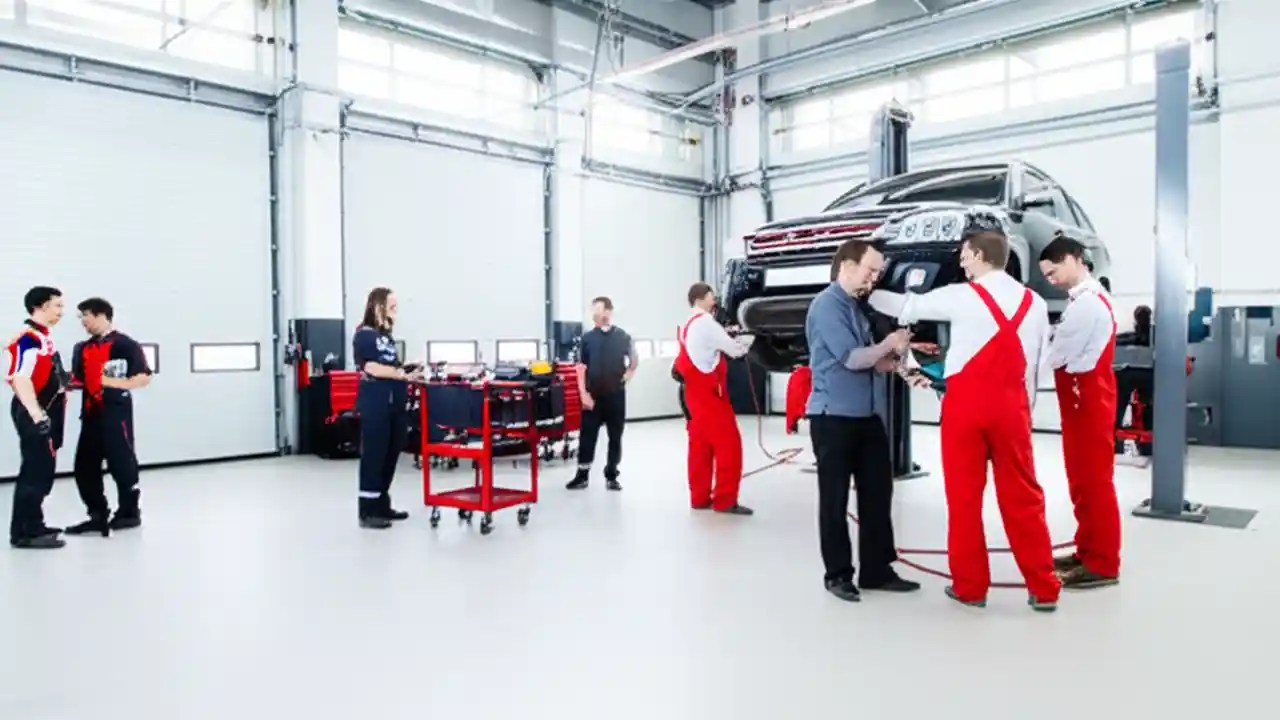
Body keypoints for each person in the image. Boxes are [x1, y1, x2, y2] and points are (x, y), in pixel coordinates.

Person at [868, 212, 1060, 611]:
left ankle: (971, 588)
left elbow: (906, 307)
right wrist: (1024, 410)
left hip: (965, 409)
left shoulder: (960, 295)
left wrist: (867, 290)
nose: (960, 262)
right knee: (1024, 498)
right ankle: (1043, 588)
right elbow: (1039, 363)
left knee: (964, 498)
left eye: (964, 256)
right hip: (1014, 408)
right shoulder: (1036, 303)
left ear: (977, 254)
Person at [807, 239, 920, 602]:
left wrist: (901, 362)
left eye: (877, 272)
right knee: (835, 499)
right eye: (869, 270)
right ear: (846, 266)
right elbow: (853, 359)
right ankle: (838, 574)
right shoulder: (827, 307)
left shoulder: (857, 309)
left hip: (868, 416)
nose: (874, 278)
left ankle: (876, 569)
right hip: (833, 418)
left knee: (877, 494)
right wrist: (890, 342)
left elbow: (872, 362)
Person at [1038, 235, 1122, 590]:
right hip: (1083, 401)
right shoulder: (1086, 300)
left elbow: (1057, 355)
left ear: (1073, 259)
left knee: (1093, 483)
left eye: (1053, 271)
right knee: (1083, 482)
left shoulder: (1087, 304)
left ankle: (1102, 562)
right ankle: (1088, 550)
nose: (1051, 280)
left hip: (1086, 402)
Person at [62, 298, 153, 536]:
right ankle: (97, 515)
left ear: (101, 315)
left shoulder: (126, 345)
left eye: (85, 316)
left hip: (117, 413)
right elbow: (78, 379)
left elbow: (143, 378)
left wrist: (108, 382)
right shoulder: (81, 348)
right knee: (84, 467)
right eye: (80, 317)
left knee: (122, 464)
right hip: (91, 415)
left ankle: (129, 512)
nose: (82, 321)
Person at [673, 282, 752, 515]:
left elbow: (708, 343)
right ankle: (725, 500)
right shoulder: (707, 322)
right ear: (700, 299)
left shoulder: (686, 324)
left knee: (699, 447)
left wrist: (724, 334)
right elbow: (735, 350)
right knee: (729, 445)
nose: (714, 300)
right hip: (710, 395)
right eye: (711, 296)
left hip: (691, 394)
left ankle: (699, 498)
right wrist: (749, 341)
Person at [352, 287, 421, 529]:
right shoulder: (364, 335)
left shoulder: (387, 337)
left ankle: (382, 503)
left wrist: (407, 369)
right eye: (391, 306)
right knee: (374, 455)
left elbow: (390, 365)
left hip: (395, 404)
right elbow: (371, 367)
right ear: (378, 307)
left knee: (391, 453)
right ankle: (367, 511)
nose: (395, 311)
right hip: (376, 404)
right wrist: (400, 374)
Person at [6, 286, 70, 550]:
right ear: (41, 306)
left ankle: (35, 522)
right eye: (58, 306)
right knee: (34, 472)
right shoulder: (29, 339)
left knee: (43, 471)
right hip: (35, 412)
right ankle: (25, 533)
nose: (61, 311)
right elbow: (19, 377)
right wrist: (36, 414)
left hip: (46, 410)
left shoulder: (43, 338)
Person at [567, 296, 636, 491]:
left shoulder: (623, 336)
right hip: (592, 396)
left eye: (598, 310)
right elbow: (580, 368)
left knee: (616, 436)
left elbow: (634, 358)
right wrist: (583, 394)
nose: (595, 315)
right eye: (593, 311)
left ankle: (612, 474)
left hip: (615, 395)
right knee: (587, 436)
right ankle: (582, 475)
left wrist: (629, 373)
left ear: (608, 311)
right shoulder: (587, 339)